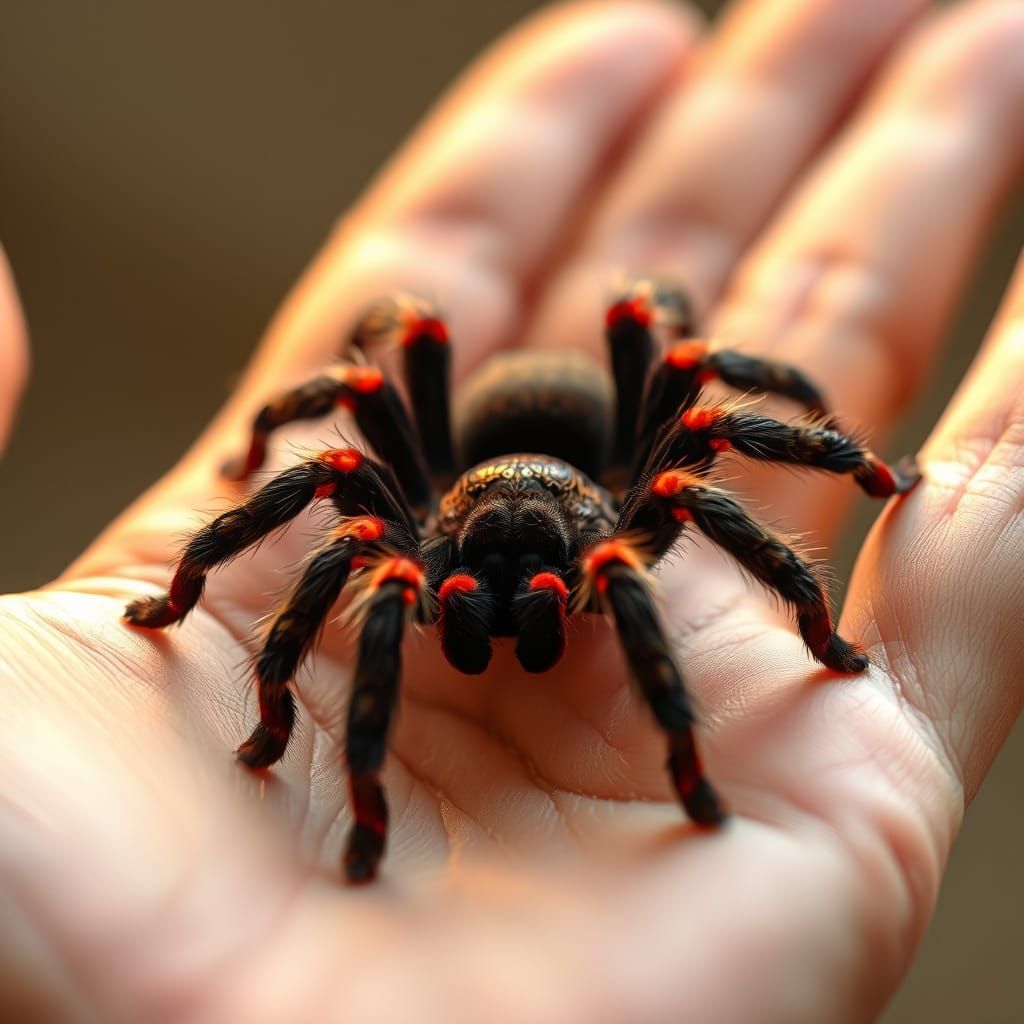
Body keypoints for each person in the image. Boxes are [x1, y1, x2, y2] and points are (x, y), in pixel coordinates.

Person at [1, 0, 1023, 1019]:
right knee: (347, 435)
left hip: (594, 465)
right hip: (481, 457)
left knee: (682, 396)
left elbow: (702, 386)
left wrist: (825, 562)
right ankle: (340, 794)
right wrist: (218, 629)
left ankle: (687, 760)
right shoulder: (404, 540)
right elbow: (357, 383)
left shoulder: (627, 518)